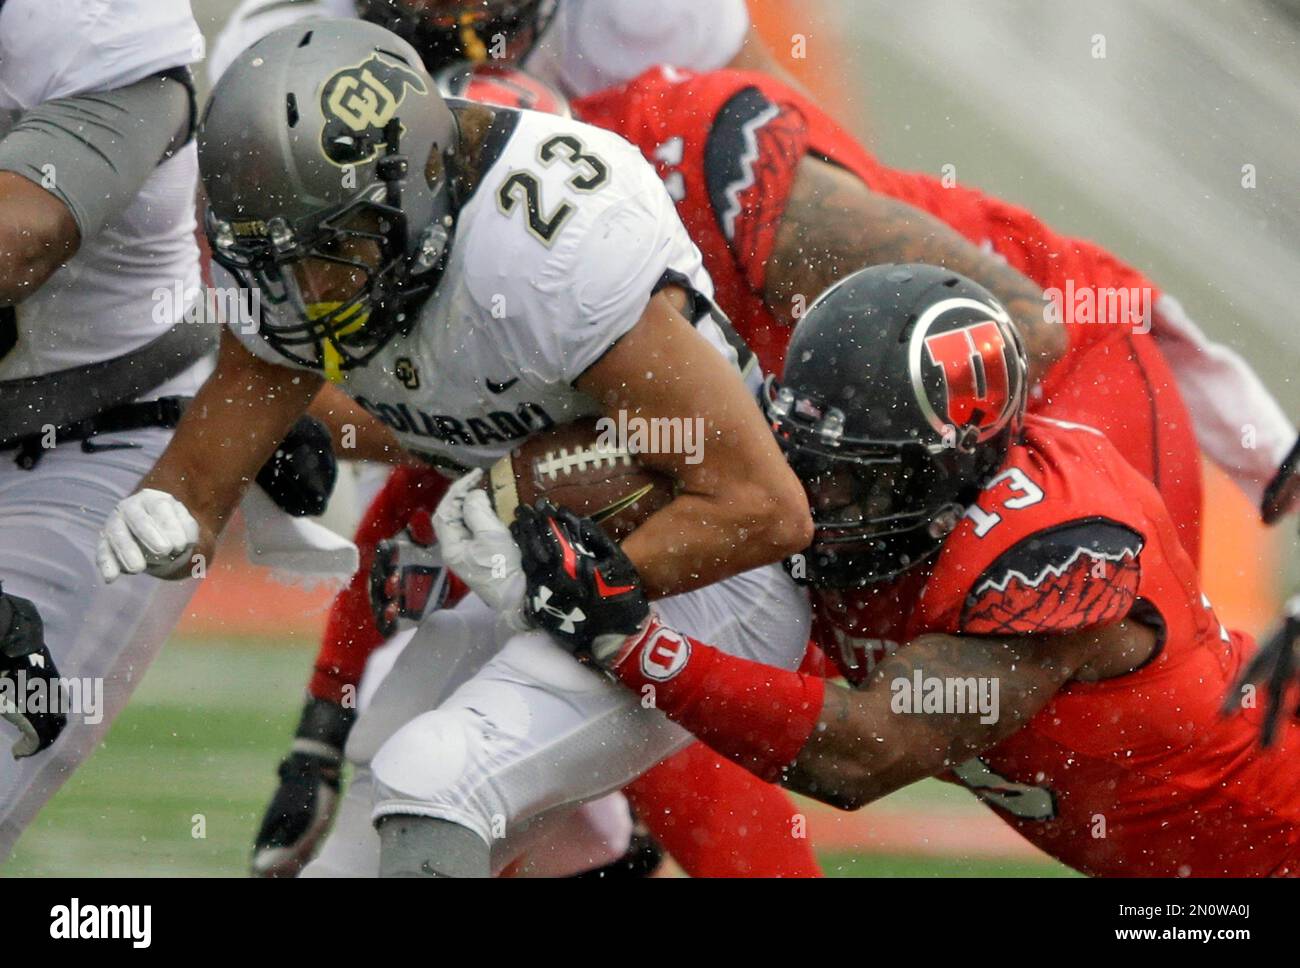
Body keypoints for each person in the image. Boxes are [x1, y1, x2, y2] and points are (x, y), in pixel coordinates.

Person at [97, 17, 815, 878]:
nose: (312, 286)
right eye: (279, 259)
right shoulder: (291, 256)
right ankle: (592, 850)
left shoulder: (551, 247)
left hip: (708, 573)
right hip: (529, 555)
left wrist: (566, 584)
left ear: (421, 182)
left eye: (336, 244)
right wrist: (163, 520)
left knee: (437, 778)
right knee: (358, 843)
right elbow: (199, 486)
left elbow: (763, 507)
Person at [506, 264, 1300, 877]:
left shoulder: (1057, 550)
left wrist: (635, 645)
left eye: (854, 477)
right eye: (811, 464)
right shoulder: (899, 512)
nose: (818, 498)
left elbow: (864, 753)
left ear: (941, 470)